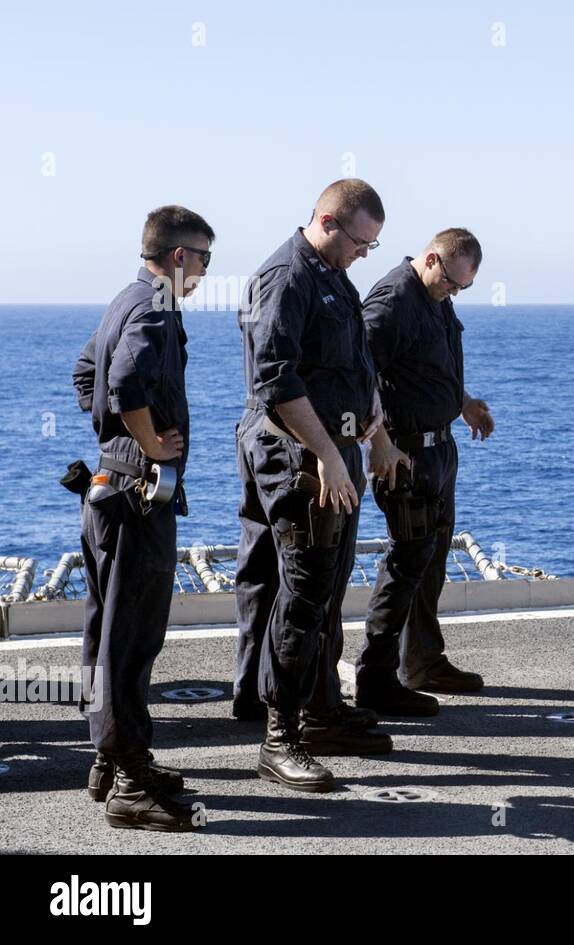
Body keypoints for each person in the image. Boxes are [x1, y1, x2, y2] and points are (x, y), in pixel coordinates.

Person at [232, 179, 404, 791]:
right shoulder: (283, 278)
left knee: (328, 592)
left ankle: (323, 712)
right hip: (298, 458)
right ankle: (281, 739)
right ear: (329, 221)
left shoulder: (334, 278)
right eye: (361, 241)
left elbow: (356, 367)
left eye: (372, 245)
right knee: (303, 596)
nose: (365, 253)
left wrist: (376, 434)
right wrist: (328, 453)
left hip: (335, 454)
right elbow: (275, 383)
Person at [71, 205, 213, 830]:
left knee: (106, 634)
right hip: (137, 497)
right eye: (204, 258)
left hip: (108, 487)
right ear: (179, 255)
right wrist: (149, 443)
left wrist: (113, 438)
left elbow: (86, 373)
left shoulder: (124, 299)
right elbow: (124, 381)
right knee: (131, 640)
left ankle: (110, 762)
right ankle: (131, 782)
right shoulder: (154, 306)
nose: (207, 272)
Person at [353, 228, 492, 715]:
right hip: (405, 455)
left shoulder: (434, 297)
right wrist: (379, 442)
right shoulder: (392, 303)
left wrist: (463, 402)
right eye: (451, 283)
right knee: (405, 563)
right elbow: (359, 375)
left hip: (439, 449)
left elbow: (427, 368)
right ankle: (376, 678)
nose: (453, 293)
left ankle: (423, 662)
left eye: (463, 289)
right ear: (431, 259)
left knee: (430, 561)